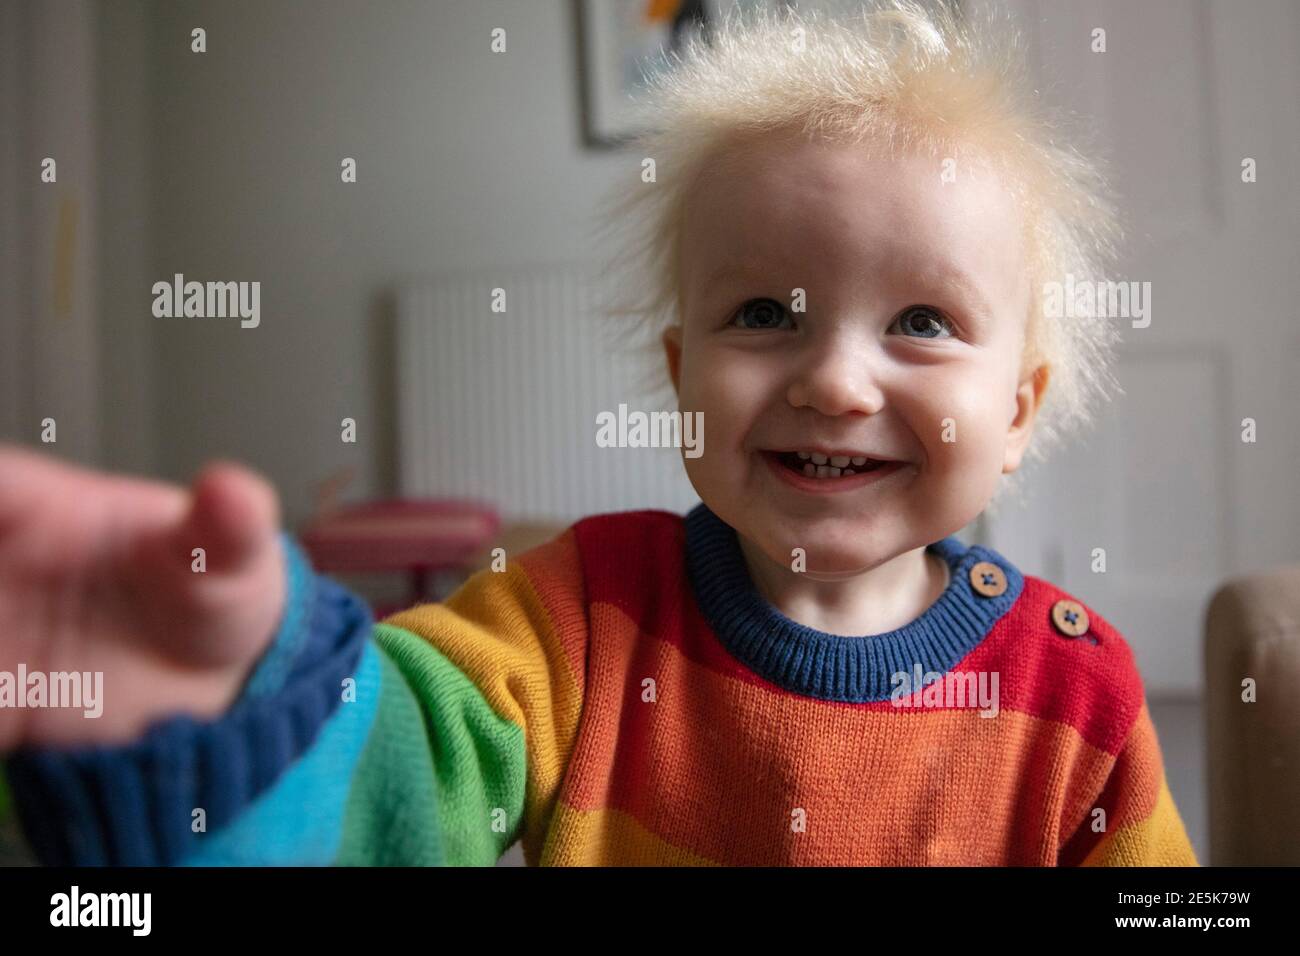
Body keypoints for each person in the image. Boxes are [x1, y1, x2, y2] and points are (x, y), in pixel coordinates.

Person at [0, 1, 1197, 865]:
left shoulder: (1075, 695)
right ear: (681, 372)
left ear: (1018, 412)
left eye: (922, 320)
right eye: (764, 312)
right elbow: (396, 789)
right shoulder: (576, 613)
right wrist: (231, 690)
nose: (833, 378)